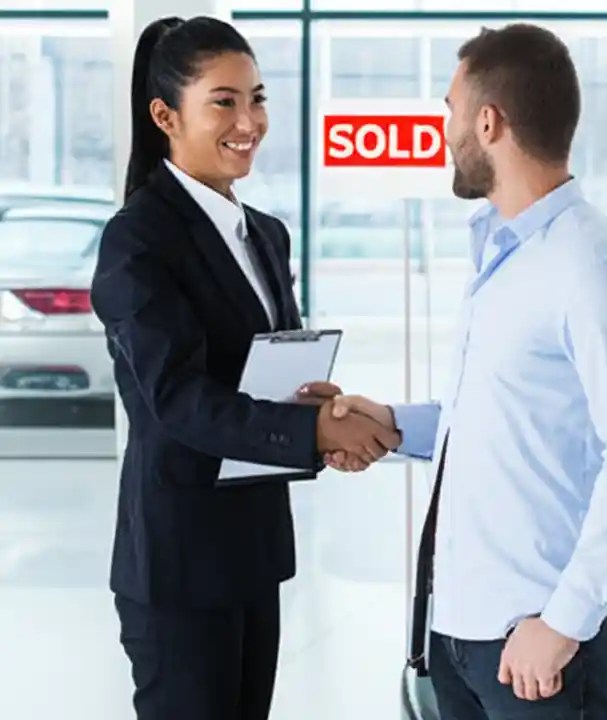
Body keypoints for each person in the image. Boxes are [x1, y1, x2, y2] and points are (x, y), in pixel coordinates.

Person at [308, 22, 607, 720]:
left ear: (488, 121)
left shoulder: (593, 266)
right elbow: (493, 419)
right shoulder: (502, 255)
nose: (442, 127)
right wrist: (388, 422)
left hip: (544, 642)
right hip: (462, 629)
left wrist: (564, 623)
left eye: (448, 109)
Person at [90, 16, 400, 720]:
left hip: (252, 549)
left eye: (257, 98)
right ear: (165, 116)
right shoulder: (139, 239)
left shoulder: (263, 232)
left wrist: (321, 409)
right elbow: (177, 399)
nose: (249, 121)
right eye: (224, 101)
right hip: (178, 560)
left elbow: (264, 369)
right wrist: (312, 433)